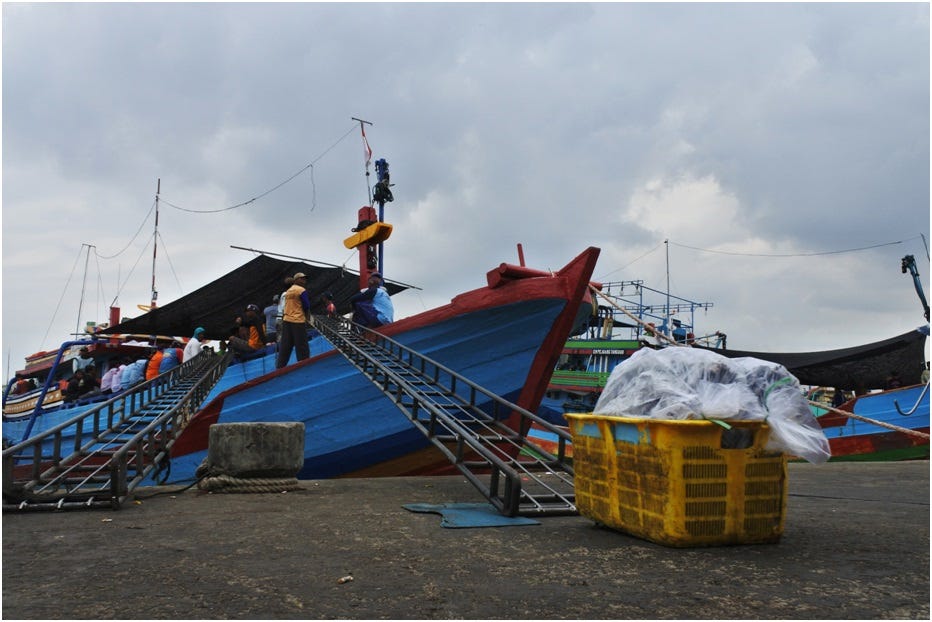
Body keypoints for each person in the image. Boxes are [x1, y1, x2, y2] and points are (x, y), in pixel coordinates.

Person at [276, 272, 312, 369]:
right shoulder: (301, 290)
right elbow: (306, 306)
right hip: (298, 321)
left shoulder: (288, 292)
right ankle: (305, 366)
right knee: (302, 346)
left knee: (286, 346)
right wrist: (308, 319)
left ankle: (280, 367)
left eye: (305, 279)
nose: (304, 280)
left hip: (287, 320)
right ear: (295, 280)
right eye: (302, 279)